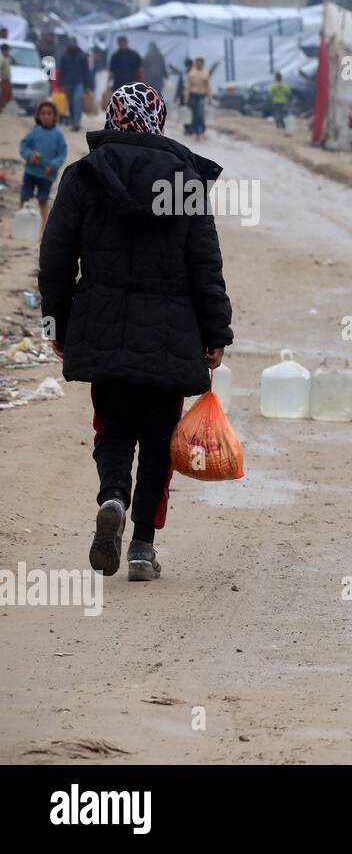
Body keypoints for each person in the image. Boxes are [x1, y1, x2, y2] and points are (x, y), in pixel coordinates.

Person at [38, 83, 233, 581]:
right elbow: (205, 266)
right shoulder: (185, 183)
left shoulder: (84, 177)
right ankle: (143, 546)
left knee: (113, 428)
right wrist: (217, 333)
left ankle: (112, 498)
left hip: (103, 326)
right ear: (159, 120)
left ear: (113, 117)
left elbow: (56, 258)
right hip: (171, 335)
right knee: (159, 439)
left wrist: (56, 323)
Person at [20, 100, 67, 232]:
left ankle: (42, 230)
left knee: (43, 201)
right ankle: (21, 225)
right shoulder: (35, 132)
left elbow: (62, 154)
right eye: (43, 113)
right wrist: (30, 155)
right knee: (25, 198)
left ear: (54, 116)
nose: (46, 116)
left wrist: (52, 165)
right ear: (39, 116)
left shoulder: (58, 135)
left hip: (46, 175)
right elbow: (23, 145)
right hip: (30, 172)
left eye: (49, 113)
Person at [57, 40, 93, 132]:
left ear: (76, 44)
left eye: (73, 44)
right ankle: (73, 121)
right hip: (68, 83)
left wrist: (88, 85)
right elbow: (61, 72)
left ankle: (77, 122)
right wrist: (60, 84)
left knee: (77, 103)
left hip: (79, 83)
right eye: (70, 44)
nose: (72, 45)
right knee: (71, 103)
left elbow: (86, 72)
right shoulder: (65, 57)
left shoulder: (82, 56)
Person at [185, 56, 211, 139]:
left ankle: (202, 130)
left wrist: (210, 98)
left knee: (200, 114)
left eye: (201, 62)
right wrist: (186, 98)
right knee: (194, 115)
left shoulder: (205, 73)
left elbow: (208, 86)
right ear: (196, 63)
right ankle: (196, 131)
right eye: (198, 62)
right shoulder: (192, 73)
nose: (199, 64)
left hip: (201, 96)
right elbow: (188, 87)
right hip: (193, 96)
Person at [0, 43, 12, 114]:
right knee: (3, 95)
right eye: (6, 51)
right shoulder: (2, 59)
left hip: (8, 80)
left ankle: (2, 106)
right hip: (3, 80)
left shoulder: (7, 58)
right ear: (3, 51)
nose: (7, 52)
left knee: (8, 95)